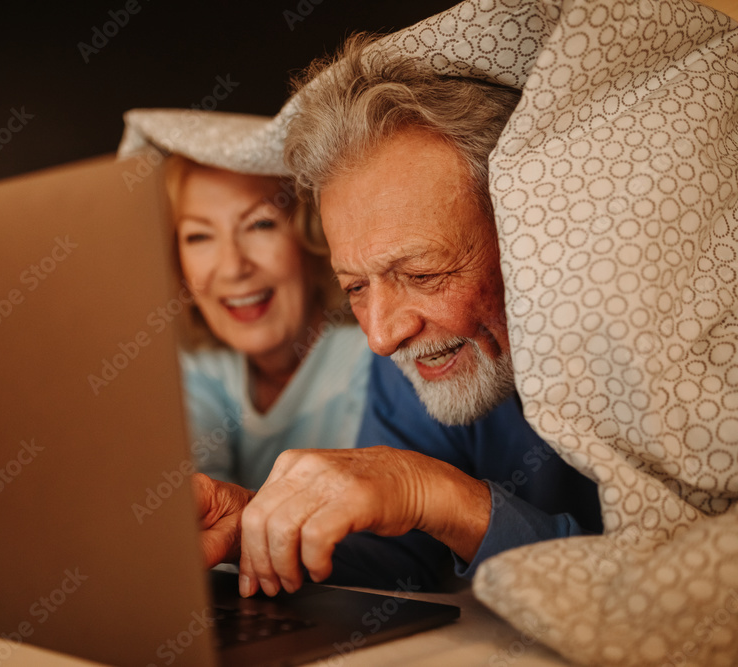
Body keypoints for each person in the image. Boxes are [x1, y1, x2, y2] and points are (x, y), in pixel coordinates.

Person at [195, 0, 738, 662]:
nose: (381, 334)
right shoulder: (418, 359)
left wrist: (439, 495)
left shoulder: (661, 337)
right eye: (356, 287)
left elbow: (687, 587)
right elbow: (397, 562)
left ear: (527, 235)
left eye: (423, 272)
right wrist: (268, 527)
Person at [118, 112, 371, 489]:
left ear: (311, 234)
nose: (234, 267)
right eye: (199, 237)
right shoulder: (198, 368)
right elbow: (194, 506)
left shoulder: (373, 356)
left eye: (260, 224)